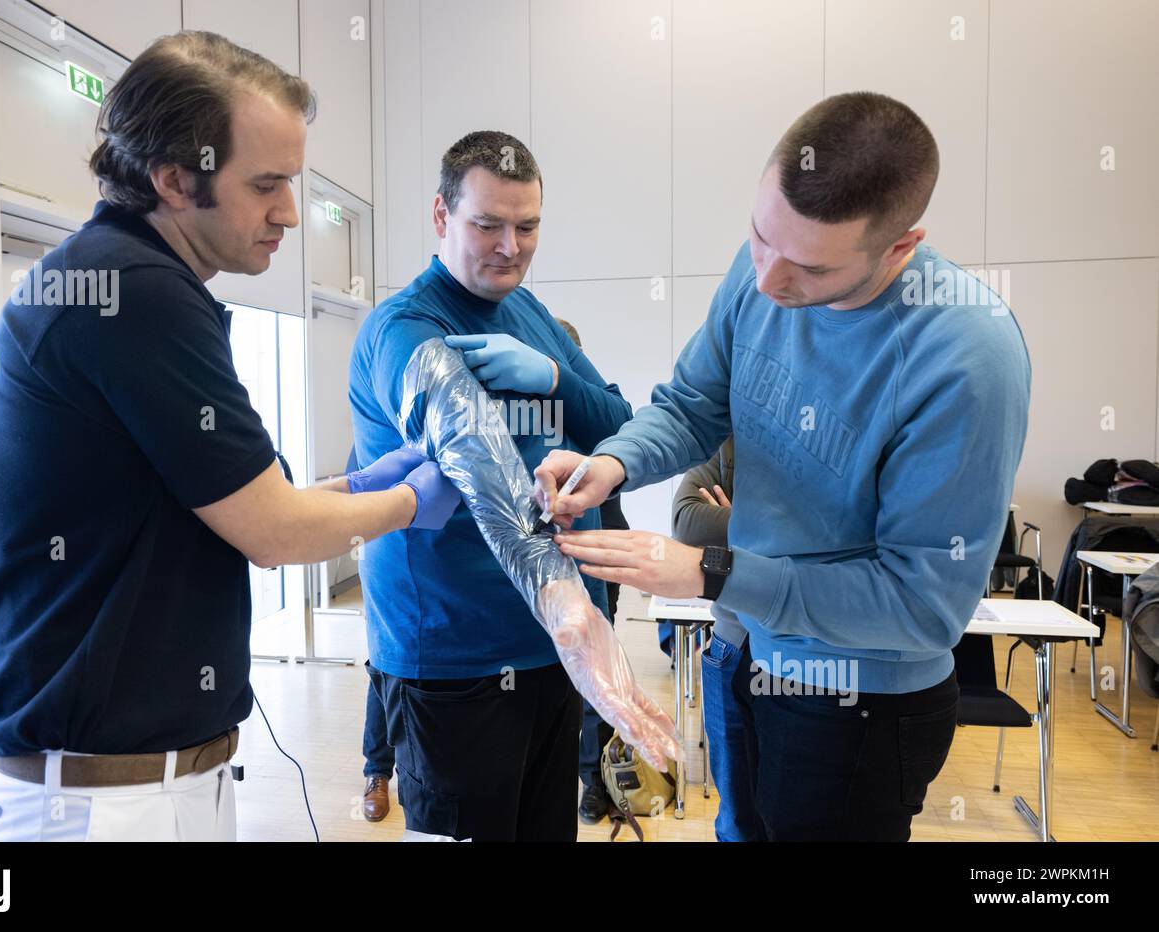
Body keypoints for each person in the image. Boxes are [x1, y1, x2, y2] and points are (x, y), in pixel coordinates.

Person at [0, 31, 459, 843]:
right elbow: (273, 531)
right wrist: (405, 501)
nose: (290, 212)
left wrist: (356, 491)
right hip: (97, 805)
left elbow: (243, 503)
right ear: (174, 179)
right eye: (267, 185)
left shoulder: (121, 277)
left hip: (140, 787)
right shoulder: (132, 290)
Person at [538, 92, 1031, 841]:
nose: (766, 282)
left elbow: (923, 607)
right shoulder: (765, 263)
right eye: (760, 239)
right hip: (741, 650)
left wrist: (711, 572)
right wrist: (613, 463)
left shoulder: (965, 359)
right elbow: (693, 402)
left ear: (899, 249)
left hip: (860, 700)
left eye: (806, 267)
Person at [348, 131, 637, 841]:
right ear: (441, 216)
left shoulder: (530, 314)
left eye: (528, 225)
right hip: (457, 659)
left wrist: (551, 377)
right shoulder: (404, 328)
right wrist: (571, 609)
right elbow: (479, 456)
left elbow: (618, 424)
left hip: (549, 650)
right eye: (487, 224)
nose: (510, 245)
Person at [554, 317, 631, 825]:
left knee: (592, 673)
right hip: (545, 564)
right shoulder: (523, 415)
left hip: (598, 554)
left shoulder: (597, 414)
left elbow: (618, 473)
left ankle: (595, 782)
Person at [669, 438, 760, 842]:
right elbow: (687, 521)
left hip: (802, 656)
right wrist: (763, 528)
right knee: (736, 817)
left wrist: (734, 519)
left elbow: (829, 532)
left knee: (786, 813)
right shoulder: (729, 445)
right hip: (730, 647)